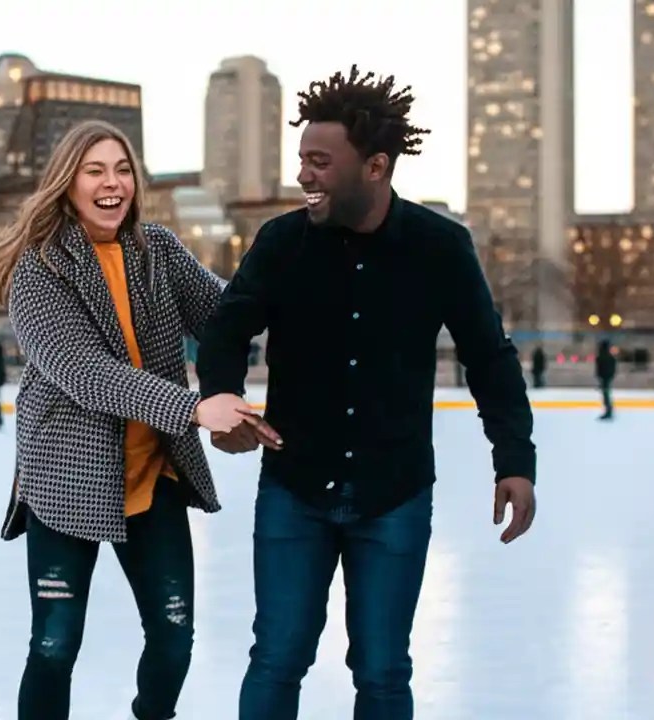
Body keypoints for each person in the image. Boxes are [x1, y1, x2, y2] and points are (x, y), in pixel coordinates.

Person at [195, 66, 537, 720]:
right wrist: (224, 401)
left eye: (320, 162)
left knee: (382, 669)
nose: (304, 175)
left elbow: (489, 359)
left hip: (394, 493)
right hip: (296, 488)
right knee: (277, 655)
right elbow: (226, 330)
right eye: (301, 160)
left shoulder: (440, 247)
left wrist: (515, 461)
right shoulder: (281, 242)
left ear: (375, 165)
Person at [0, 119, 279, 720]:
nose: (112, 183)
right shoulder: (38, 270)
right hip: (66, 480)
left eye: (122, 170)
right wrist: (194, 407)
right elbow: (85, 373)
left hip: (152, 476)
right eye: (95, 171)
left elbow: (226, 314)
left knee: (173, 636)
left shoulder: (156, 251)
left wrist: (306, 300)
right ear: (67, 183)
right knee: (55, 645)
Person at [595, 339, 616, 420]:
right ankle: (608, 411)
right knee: (606, 395)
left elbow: (599, 369)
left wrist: (601, 376)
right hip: (606, 378)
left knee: (606, 395)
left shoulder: (601, 357)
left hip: (605, 378)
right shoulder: (610, 357)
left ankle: (608, 412)